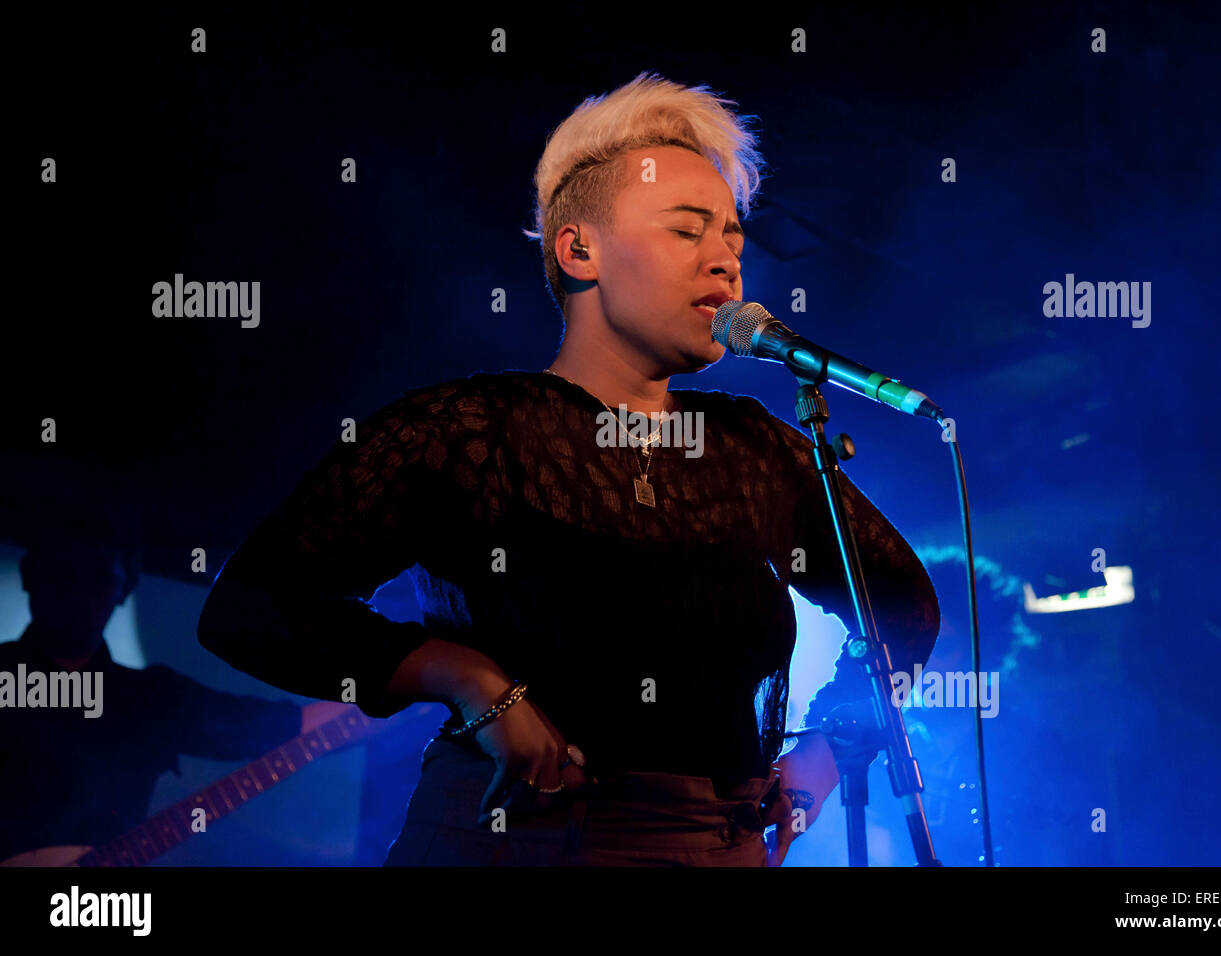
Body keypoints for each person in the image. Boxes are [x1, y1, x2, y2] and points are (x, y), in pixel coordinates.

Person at [197, 72, 939, 866]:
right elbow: (252, 605)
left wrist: (823, 757)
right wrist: (465, 678)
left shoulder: (755, 448)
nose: (727, 261)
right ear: (579, 248)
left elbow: (902, 610)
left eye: (732, 236)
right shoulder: (469, 430)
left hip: (717, 847)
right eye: (689, 231)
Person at [0, 524, 344, 864]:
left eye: (99, 579)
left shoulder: (151, 697)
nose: (78, 594)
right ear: (32, 576)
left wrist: (380, 699)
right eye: (62, 573)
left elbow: (274, 727)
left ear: (124, 588)